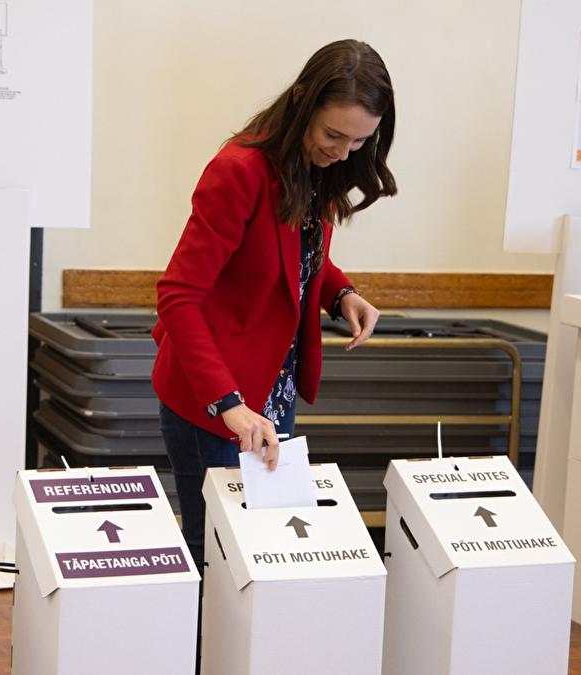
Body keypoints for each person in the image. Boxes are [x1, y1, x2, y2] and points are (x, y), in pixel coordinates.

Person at [153, 39, 397, 566]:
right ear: (304, 101)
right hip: (215, 398)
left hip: (271, 391)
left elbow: (297, 258)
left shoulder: (319, 168)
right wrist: (229, 404)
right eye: (334, 134)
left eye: (360, 141)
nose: (343, 151)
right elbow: (178, 294)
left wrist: (340, 293)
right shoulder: (238, 170)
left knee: (260, 548)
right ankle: (198, 652)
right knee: (215, 554)